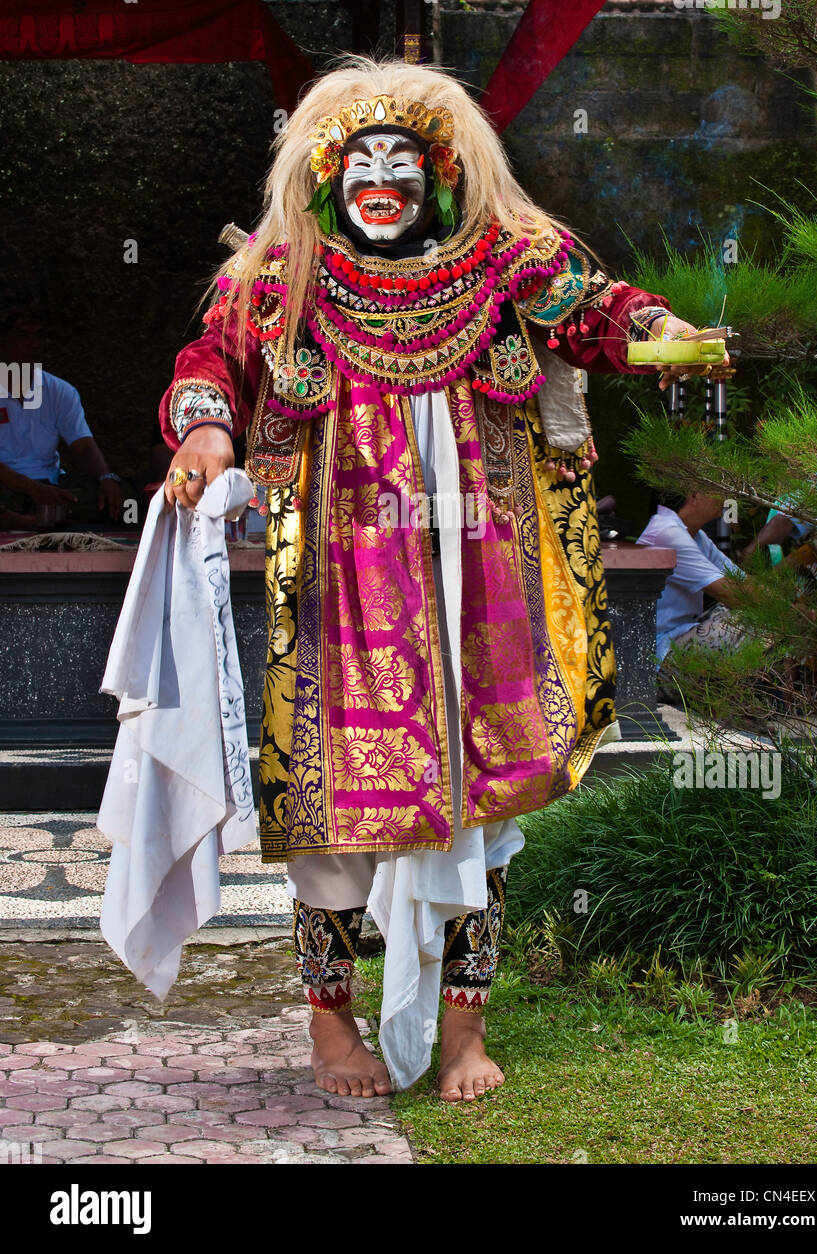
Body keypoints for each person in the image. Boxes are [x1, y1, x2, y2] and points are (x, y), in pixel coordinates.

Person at [159, 58, 727, 1102]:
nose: (380, 180)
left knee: (478, 816)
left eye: (402, 163)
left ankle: (464, 1033)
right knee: (328, 820)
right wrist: (201, 439)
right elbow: (212, 364)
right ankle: (331, 1028)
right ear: (328, 176)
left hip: (486, 580)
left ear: (443, 177)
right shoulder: (282, 274)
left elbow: (596, 311)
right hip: (341, 591)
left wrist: (661, 335)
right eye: (360, 162)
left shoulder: (504, 257)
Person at [0, 312, 125, 528]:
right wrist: (32, 489)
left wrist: (106, 478)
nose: (33, 344)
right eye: (23, 336)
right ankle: (43, 519)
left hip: (51, 484)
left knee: (123, 497)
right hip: (8, 486)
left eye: (38, 337)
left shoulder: (60, 390)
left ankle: (33, 520)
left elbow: (83, 444)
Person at [636, 492, 747, 684]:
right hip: (655, 656)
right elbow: (732, 593)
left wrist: (786, 602)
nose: (724, 497)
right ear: (694, 494)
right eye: (714, 489)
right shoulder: (668, 533)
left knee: (764, 617)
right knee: (754, 622)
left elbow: (741, 580)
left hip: (680, 635)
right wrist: (787, 608)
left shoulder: (698, 536)